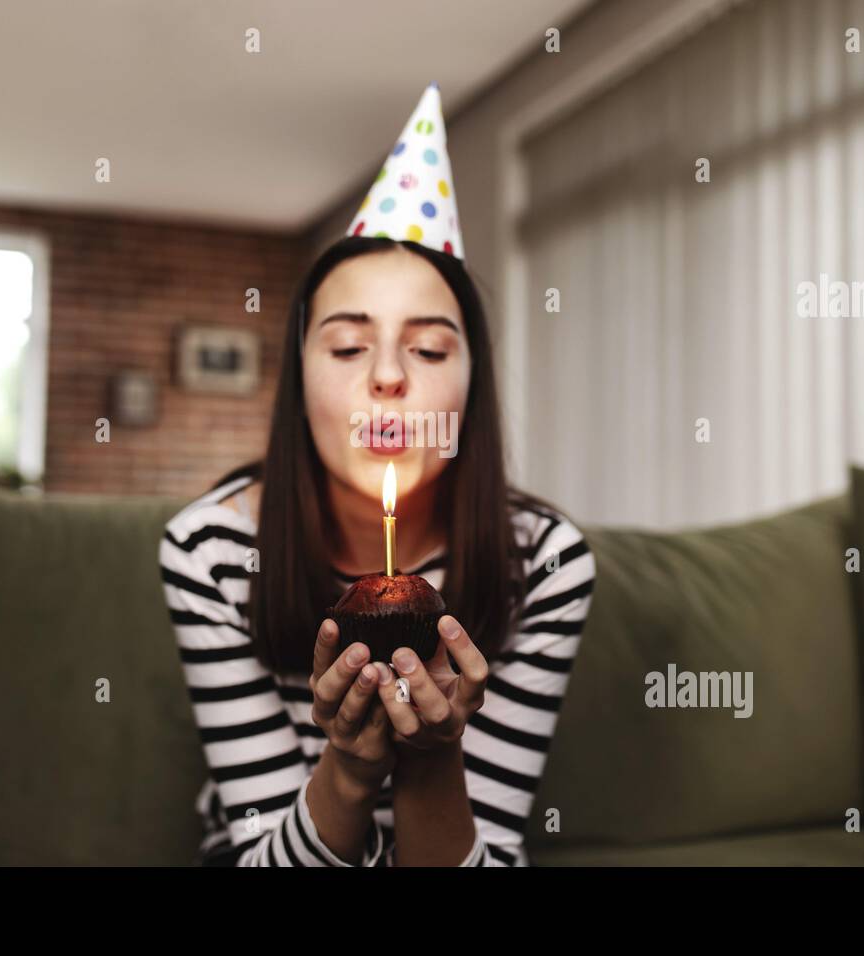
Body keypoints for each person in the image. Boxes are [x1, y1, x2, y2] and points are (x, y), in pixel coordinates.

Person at [159, 83, 596, 866]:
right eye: (348, 346)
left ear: (472, 384)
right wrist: (352, 768)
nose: (389, 376)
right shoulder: (211, 552)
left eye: (428, 349)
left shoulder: (547, 562)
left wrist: (433, 756)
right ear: (300, 378)